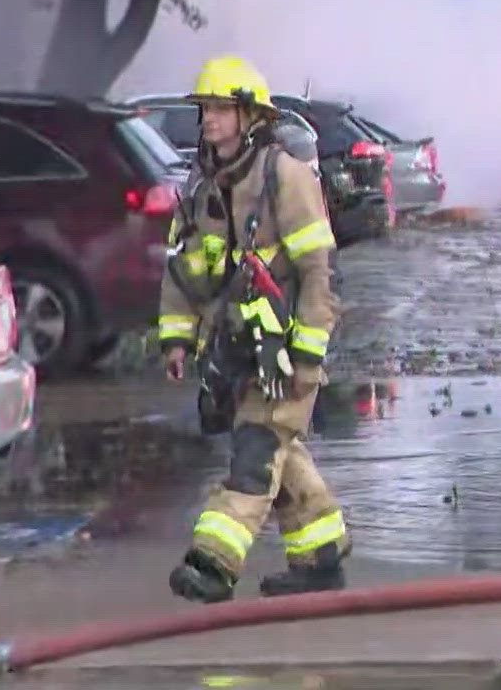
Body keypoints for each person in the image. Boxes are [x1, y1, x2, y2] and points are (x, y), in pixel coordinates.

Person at [157, 56, 348, 604]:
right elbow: (183, 269)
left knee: (255, 452)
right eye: (205, 110)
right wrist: (176, 339)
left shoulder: (283, 176)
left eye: (220, 109)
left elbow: (320, 271)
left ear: (249, 115)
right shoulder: (201, 187)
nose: (208, 120)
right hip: (234, 350)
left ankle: (213, 565)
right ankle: (321, 556)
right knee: (281, 457)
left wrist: (308, 355)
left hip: (283, 353)